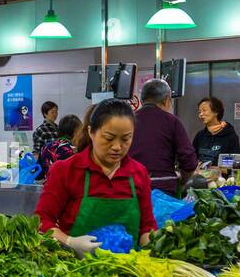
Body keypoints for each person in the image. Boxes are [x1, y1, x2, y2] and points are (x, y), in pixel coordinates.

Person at [35, 99, 156, 254]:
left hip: (128, 270)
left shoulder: (139, 173)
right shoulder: (66, 170)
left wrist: (152, 248)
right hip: (75, 270)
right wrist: (69, 241)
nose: (117, 147)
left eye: (126, 139)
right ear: (91, 132)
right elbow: (42, 220)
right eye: (109, 138)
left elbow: (147, 226)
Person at [129, 79, 198, 192]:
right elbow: (189, 161)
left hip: (131, 189)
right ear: (166, 100)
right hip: (163, 191)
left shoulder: (128, 120)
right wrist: (182, 181)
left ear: (141, 100)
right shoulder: (172, 121)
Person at [194, 97, 240, 164]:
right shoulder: (200, 135)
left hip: (220, 174)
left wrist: (216, 169)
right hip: (200, 174)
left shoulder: (230, 136)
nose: (201, 114)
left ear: (216, 112)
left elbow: (234, 163)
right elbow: (192, 158)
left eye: (204, 110)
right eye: (199, 112)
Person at [37, 114, 80, 179]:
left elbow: (38, 174)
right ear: (75, 132)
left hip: (48, 187)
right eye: (81, 131)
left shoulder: (45, 147)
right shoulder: (73, 151)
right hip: (66, 188)